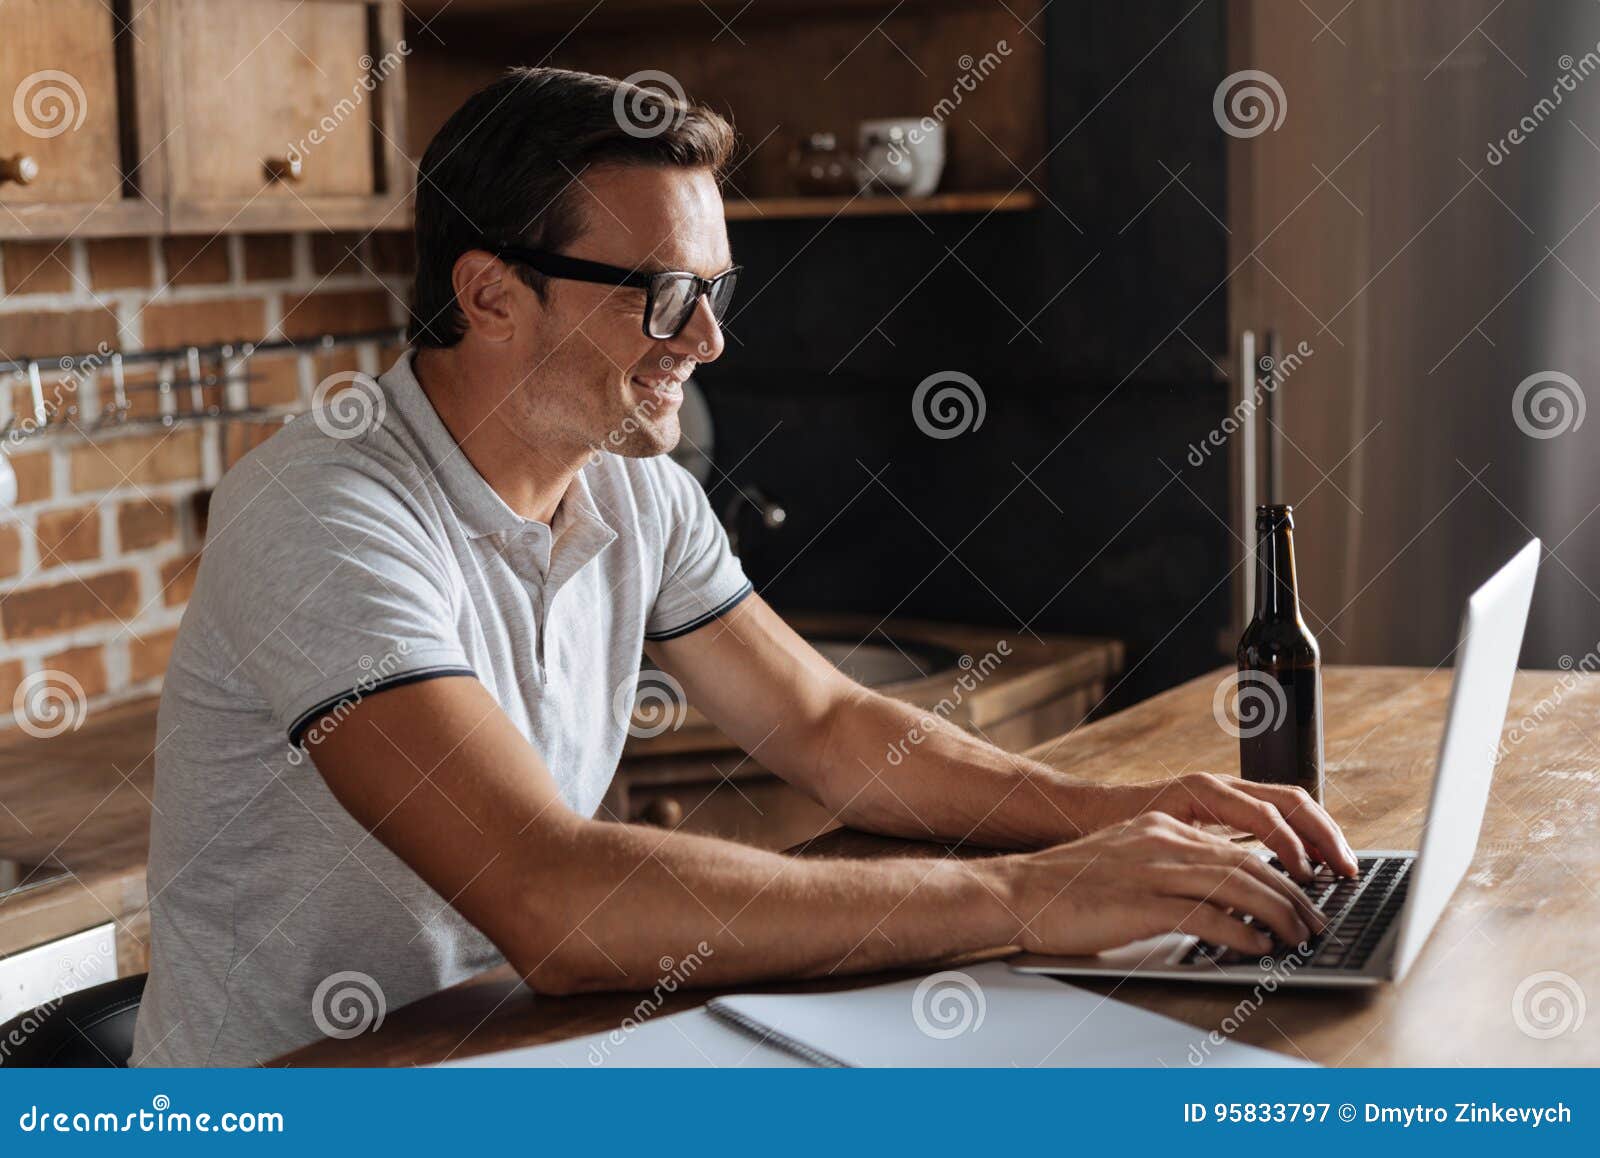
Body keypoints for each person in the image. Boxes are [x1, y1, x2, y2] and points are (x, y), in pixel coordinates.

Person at [132, 67, 1353, 1067]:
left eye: (715, 293)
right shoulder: (326, 511)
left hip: (504, 1052)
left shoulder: (632, 488)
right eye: (666, 295)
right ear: (491, 294)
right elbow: (549, 897)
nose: (708, 341)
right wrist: (1032, 896)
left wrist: (1123, 818)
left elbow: (825, 723)